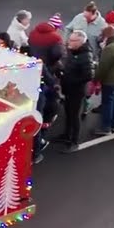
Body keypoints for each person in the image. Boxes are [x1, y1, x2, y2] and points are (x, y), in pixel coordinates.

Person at [28, 21, 64, 162]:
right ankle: (36, 153)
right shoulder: (54, 39)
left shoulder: (32, 35)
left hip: (29, 88)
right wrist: (55, 85)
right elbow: (58, 53)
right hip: (41, 84)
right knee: (38, 118)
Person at [59, 31, 95, 153]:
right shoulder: (73, 51)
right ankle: (66, 135)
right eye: (70, 39)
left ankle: (74, 141)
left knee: (74, 116)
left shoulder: (85, 56)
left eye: (73, 41)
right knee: (68, 113)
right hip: (68, 89)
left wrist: (71, 80)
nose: (69, 42)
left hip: (77, 91)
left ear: (80, 42)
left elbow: (89, 75)